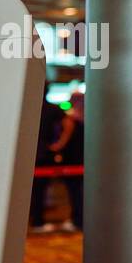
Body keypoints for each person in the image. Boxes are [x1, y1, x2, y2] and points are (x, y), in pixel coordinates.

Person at [51, 91, 85, 231]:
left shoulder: (70, 120)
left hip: (71, 161)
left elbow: (62, 142)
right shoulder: (90, 117)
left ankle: (77, 220)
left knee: (74, 192)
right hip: (84, 160)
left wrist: (51, 148)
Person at [29, 99, 65, 231]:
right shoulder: (52, 109)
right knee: (39, 189)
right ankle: (37, 221)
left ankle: (35, 220)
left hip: (29, 153)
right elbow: (67, 124)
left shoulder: (27, 106)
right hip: (43, 154)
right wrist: (59, 144)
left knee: (33, 190)